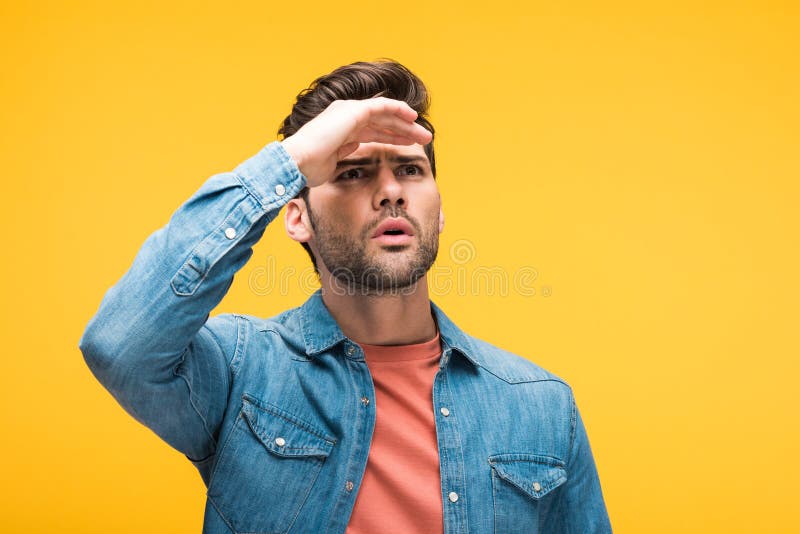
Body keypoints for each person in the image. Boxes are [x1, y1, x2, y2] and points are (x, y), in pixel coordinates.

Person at [79, 60, 612, 534]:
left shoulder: (541, 407)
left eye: (410, 169)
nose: (391, 191)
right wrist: (288, 163)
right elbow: (118, 345)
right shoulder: (241, 369)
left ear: (440, 210)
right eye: (352, 173)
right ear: (296, 216)